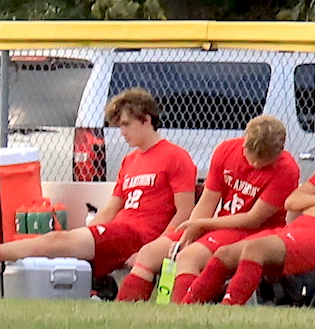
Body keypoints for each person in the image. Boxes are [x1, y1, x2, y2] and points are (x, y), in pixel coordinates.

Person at [0, 88, 197, 290]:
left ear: (146, 120)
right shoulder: (130, 160)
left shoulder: (175, 157)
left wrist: (155, 248)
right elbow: (112, 208)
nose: (122, 132)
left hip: (141, 236)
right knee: (64, 246)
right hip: (121, 231)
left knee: (57, 242)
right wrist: (86, 235)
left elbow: (184, 212)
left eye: (126, 124)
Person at [190, 97, 315, 306]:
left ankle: (227, 309)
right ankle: (185, 307)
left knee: (255, 249)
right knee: (225, 253)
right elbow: (292, 201)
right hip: (299, 229)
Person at [122, 113, 299, 303]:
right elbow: (207, 200)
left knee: (189, 256)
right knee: (149, 252)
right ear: (245, 139)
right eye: (251, 156)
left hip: (254, 231)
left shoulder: (287, 169)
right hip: (219, 225)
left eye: (263, 160)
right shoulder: (226, 150)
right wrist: (191, 230)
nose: (255, 163)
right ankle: (125, 311)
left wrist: (201, 225)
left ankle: (181, 313)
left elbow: (253, 218)